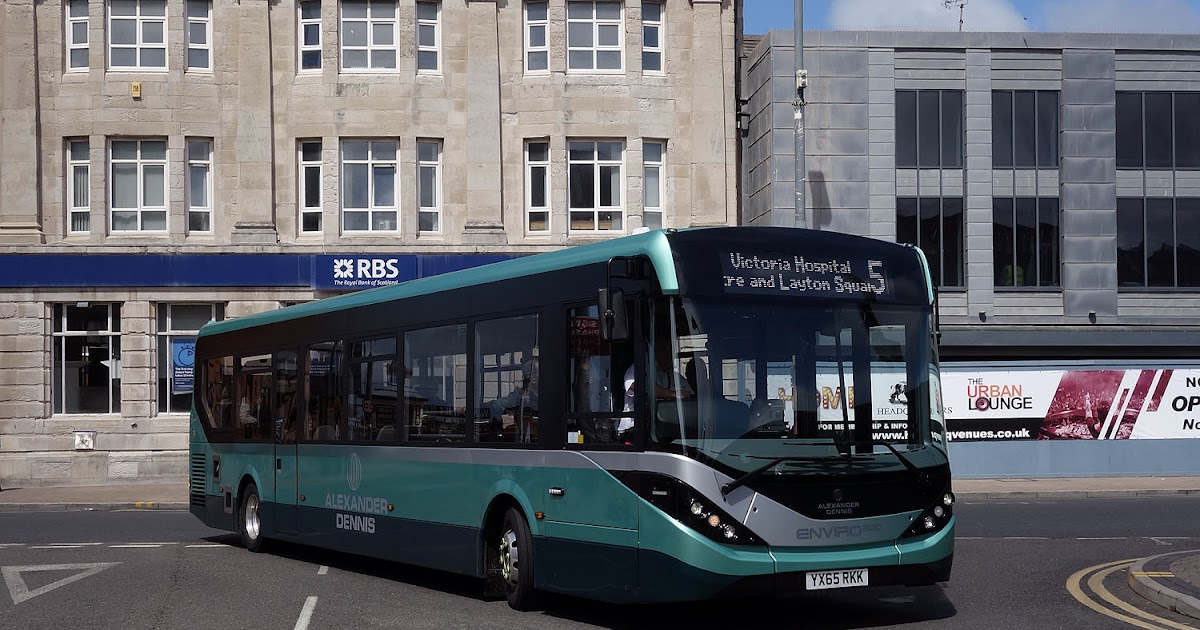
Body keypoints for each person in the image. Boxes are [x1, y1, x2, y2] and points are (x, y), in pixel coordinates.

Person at [618, 337, 693, 435]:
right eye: (663, 349)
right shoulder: (638, 368)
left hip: (669, 426)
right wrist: (673, 394)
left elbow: (691, 396)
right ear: (653, 351)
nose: (668, 354)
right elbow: (637, 386)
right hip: (635, 429)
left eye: (670, 350)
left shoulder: (676, 377)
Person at [490, 358, 540, 443]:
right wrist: (469, 409)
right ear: (532, 379)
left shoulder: (550, 395)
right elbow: (496, 405)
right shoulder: (520, 397)